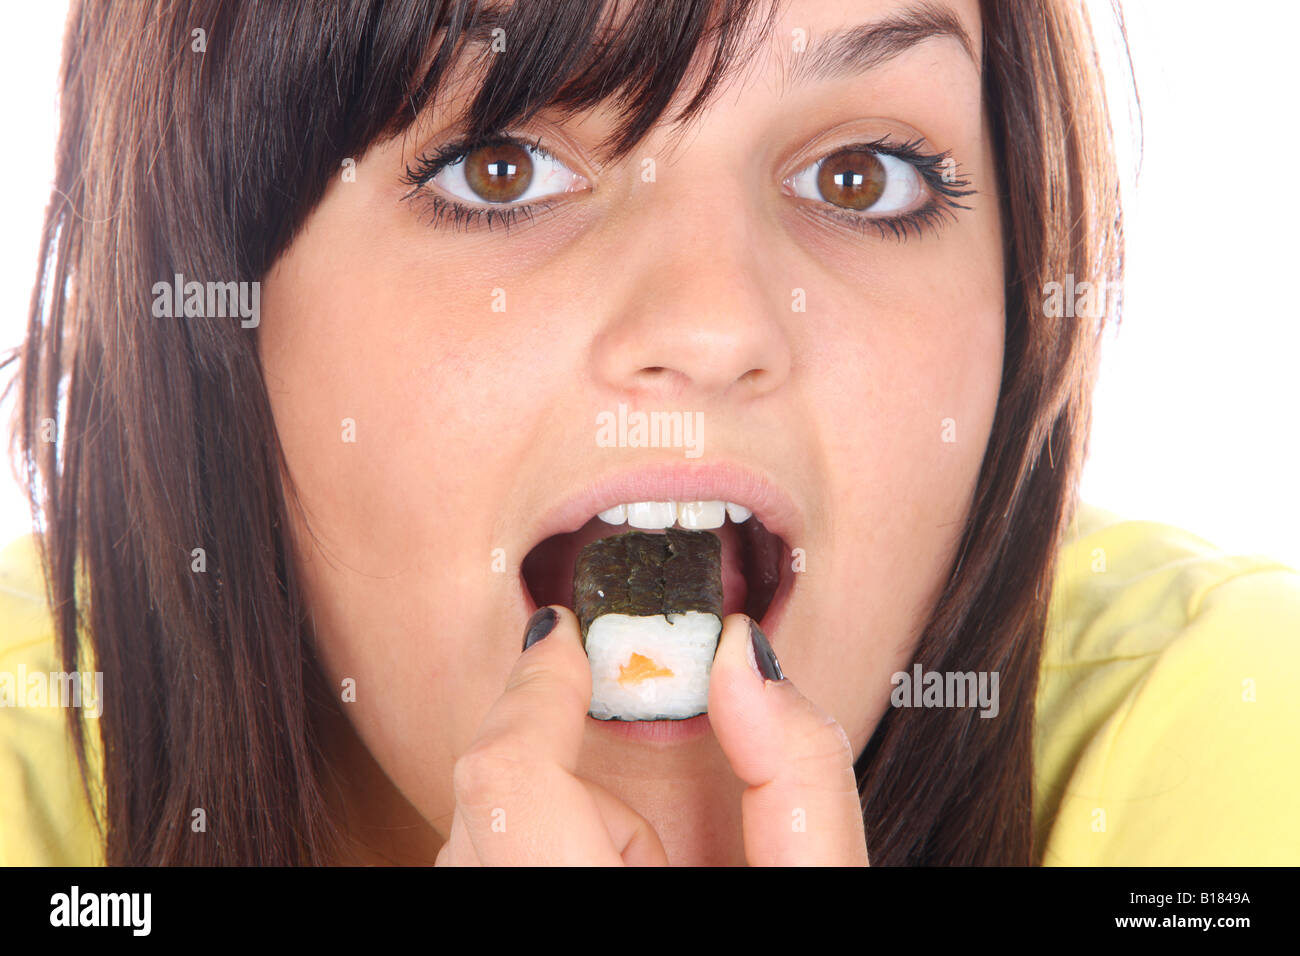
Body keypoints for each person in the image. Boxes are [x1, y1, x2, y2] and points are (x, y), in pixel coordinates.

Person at [2, 0, 1297, 867]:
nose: (718, 322)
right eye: (498, 165)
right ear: (214, 303)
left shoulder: (1237, 739)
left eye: (864, 176)